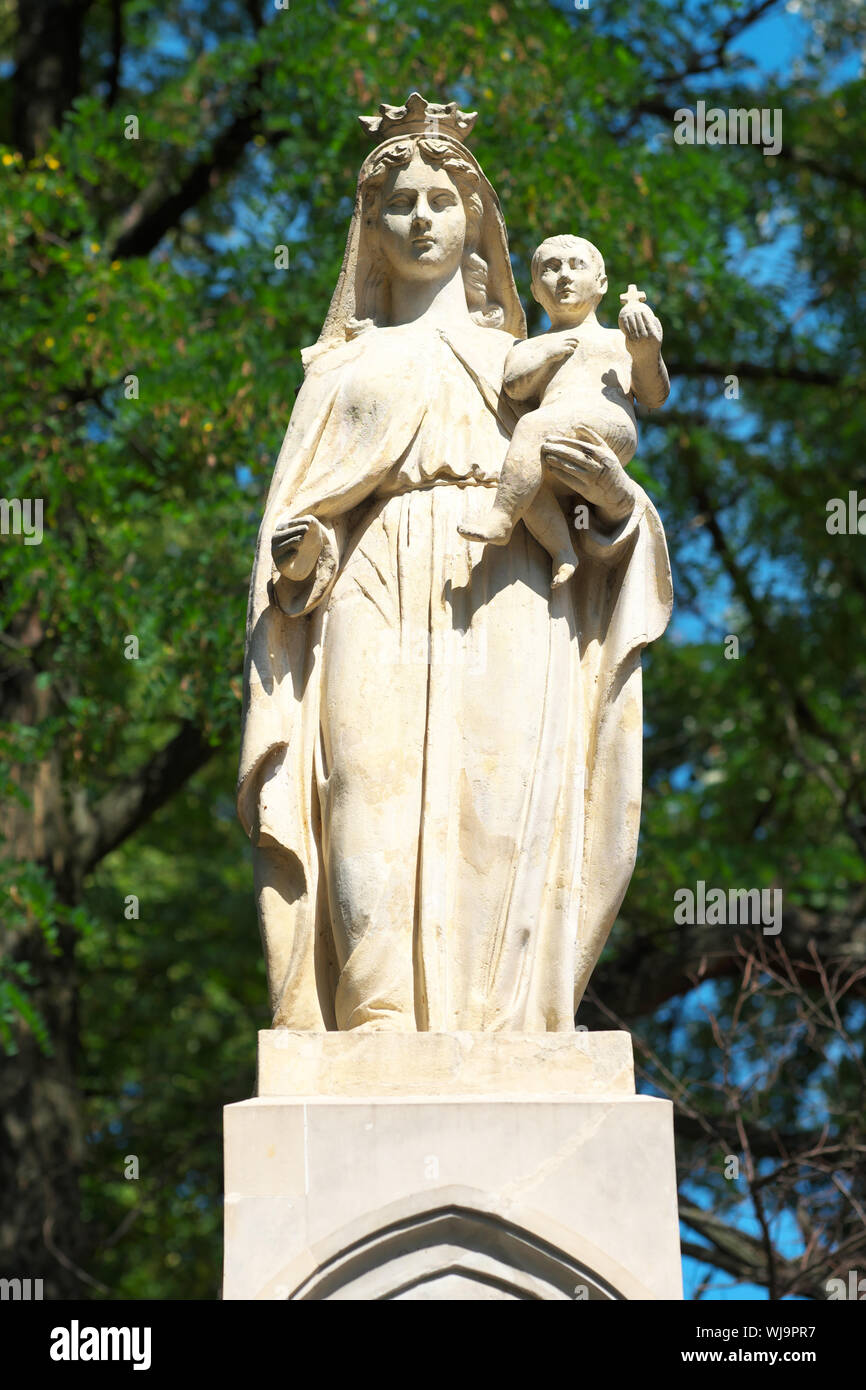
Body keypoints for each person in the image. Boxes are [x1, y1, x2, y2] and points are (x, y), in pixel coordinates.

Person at [237, 98, 673, 1032]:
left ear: (474, 220)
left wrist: (612, 502)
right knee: (361, 779)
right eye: (401, 201)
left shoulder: (526, 357)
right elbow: (295, 522)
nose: (424, 216)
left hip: (507, 572)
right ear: (372, 227)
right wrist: (299, 556)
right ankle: (376, 1016)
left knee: (501, 790)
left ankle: (501, 1023)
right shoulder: (337, 370)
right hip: (373, 573)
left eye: (443, 198)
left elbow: (605, 505)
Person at [458, 234, 669, 586]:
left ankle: (501, 518)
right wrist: (547, 355)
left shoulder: (615, 339)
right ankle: (563, 552)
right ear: (536, 291)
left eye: (577, 265)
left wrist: (647, 353)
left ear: (601, 284)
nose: (565, 276)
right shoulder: (532, 345)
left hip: (607, 426)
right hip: (551, 434)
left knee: (530, 428)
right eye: (551, 268)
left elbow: (653, 395)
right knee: (526, 481)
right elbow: (514, 385)